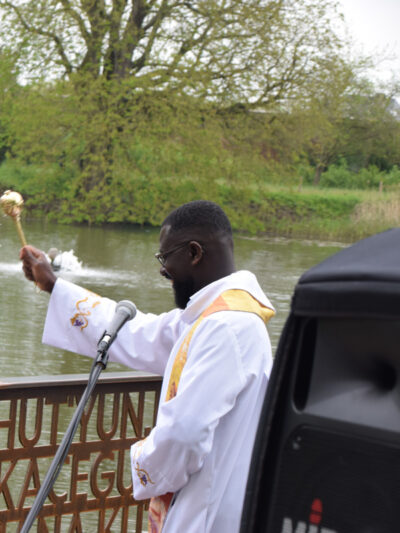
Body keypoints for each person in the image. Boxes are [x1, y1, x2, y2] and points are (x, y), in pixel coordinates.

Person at [19, 200, 274, 533]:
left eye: (165, 257)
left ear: (194, 253)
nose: (163, 270)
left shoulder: (227, 326)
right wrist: (55, 286)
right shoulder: (211, 318)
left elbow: (184, 434)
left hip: (208, 517)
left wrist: (141, 458)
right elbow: (139, 333)